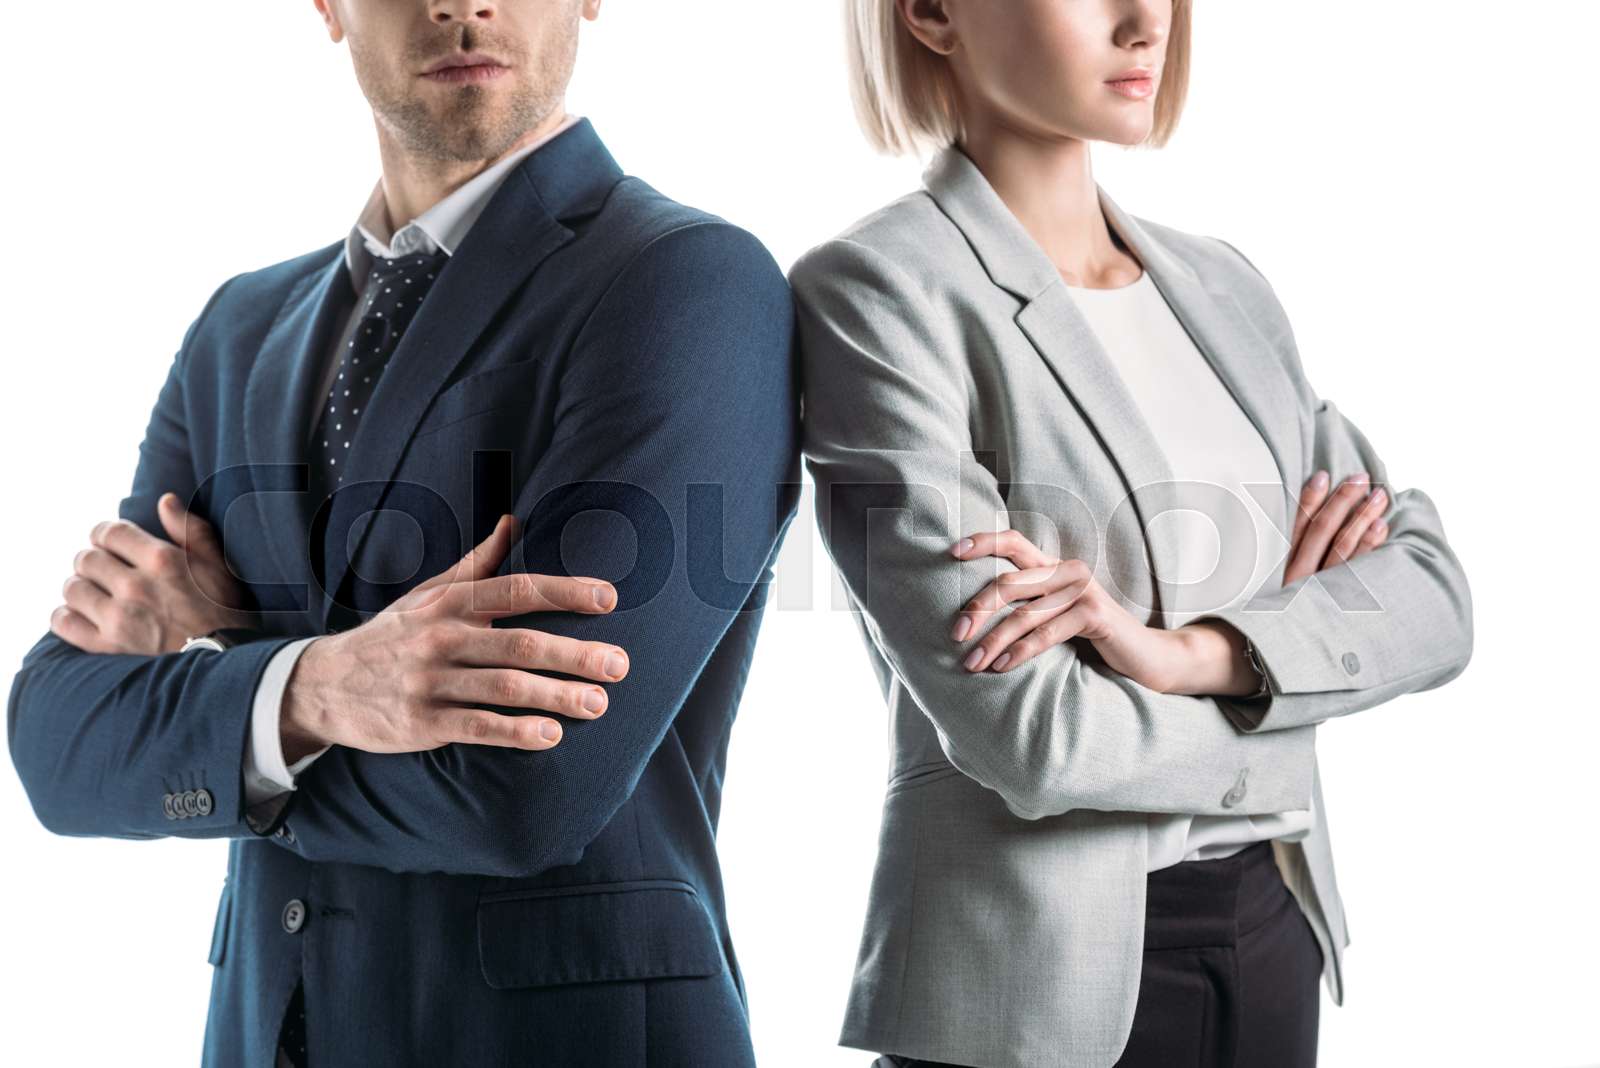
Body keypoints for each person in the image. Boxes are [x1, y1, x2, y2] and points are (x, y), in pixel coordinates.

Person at [7, 1, 799, 1065]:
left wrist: (225, 700)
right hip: (264, 1030)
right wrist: (318, 688)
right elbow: (58, 746)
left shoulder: (683, 280)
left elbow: (524, 789)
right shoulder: (240, 328)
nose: (461, 5)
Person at [790, 1, 1473, 1065]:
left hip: (1277, 929)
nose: (1141, 18)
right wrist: (1292, 696)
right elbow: (1032, 740)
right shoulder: (879, 293)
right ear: (929, 13)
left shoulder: (1225, 284)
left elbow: (1430, 596)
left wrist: (1194, 654)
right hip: (1031, 985)